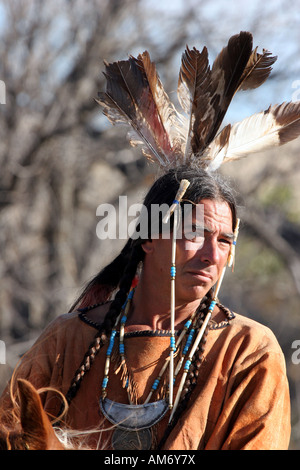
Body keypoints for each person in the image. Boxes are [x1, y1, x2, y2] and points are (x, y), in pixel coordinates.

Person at [0, 31, 298, 450]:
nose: (213, 255)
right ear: (151, 237)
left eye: (226, 241)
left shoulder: (248, 351)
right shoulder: (68, 340)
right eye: (194, 234)